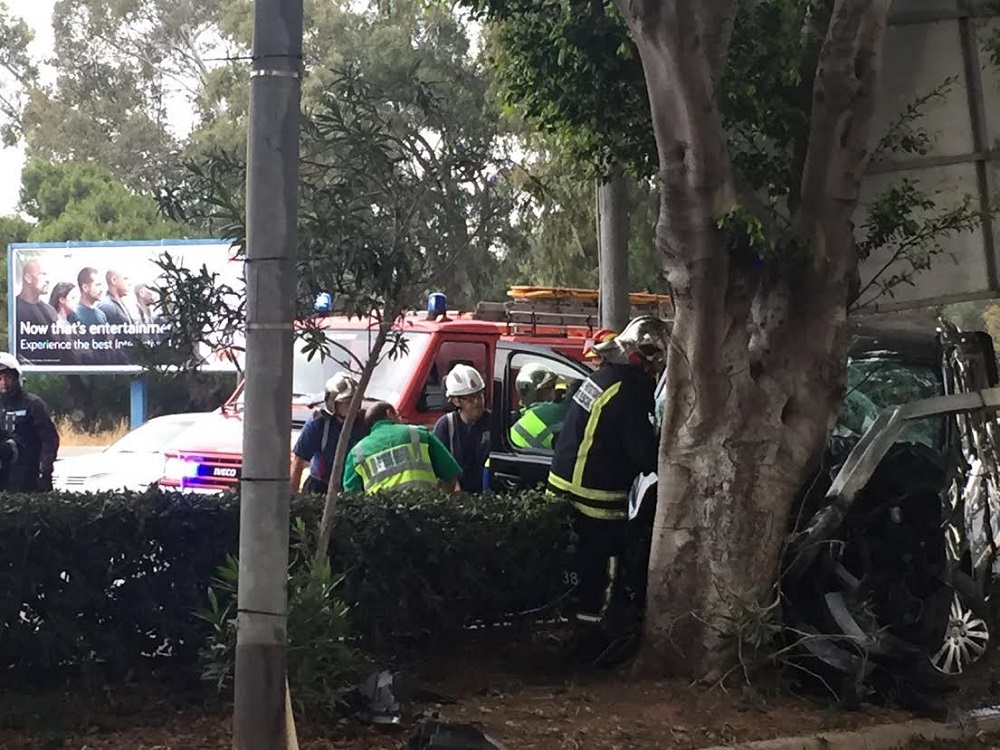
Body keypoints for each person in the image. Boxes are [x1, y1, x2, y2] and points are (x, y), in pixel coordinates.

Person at [547, 315, 668, 636]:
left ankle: (566, 622)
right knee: (604, 569)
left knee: (569, 564)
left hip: (560, 486)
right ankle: (595, 638)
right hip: (595, 496)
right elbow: (642, 454)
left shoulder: (602, 378)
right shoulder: (634, 388)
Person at [343, 401, 462, 494]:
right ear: (389, 413)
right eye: (398, 415)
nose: (401, 420)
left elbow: (351, 495)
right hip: (425, 512)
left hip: (381, 519)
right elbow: (450, 474)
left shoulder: (356, 453)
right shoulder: (419, 434)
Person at [290, 373, 366, 494]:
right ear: (333, 403)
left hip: (353, 488)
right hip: (320, 488)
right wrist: (292, 500)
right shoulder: (319, 423)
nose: (353, 406)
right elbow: (298, 462)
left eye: (356, 400)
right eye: (347, 402)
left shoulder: (363, 422)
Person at [0, 353, 59, 493]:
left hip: (29, 475)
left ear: (17, 378)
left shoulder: (33, 404)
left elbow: (49, 439)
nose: (3, 383)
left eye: (7, 378)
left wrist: (45, 469)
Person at [433, 364, 490, 494]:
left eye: (479, 395)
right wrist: (454, 487)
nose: (477, 402)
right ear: (456, 401)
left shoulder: (493, 422)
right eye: (470, 398)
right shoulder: (445, 426)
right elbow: (438, 464)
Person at [510, 363, 567, 450]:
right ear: (540, 392)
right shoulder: (546, 412)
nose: (554, 391)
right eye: (551, 387)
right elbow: (572, 407)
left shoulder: (522, 415)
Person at [15, 259, 58, 328]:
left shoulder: (50, 311)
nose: (48, 280)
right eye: (43, 274)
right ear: (28, 278)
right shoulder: (12, 308)